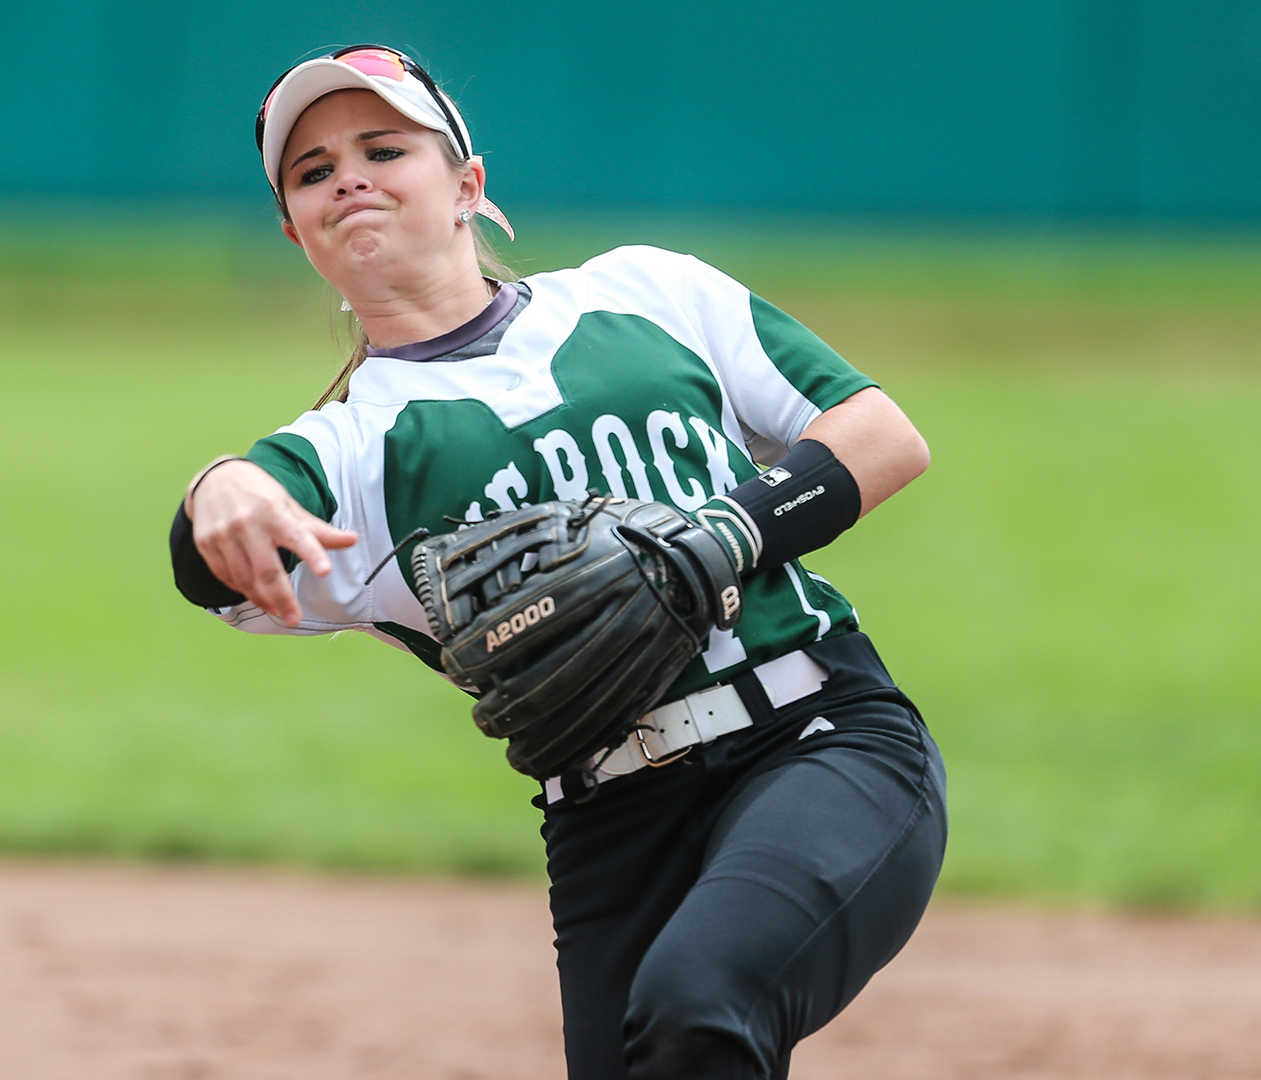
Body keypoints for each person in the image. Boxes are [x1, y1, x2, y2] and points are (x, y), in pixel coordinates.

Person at [168, 44, 946, 1080]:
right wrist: (223, 483)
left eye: (384, 148)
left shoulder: (644, 294)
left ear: (467, 185)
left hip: (815, 738)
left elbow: (882, 434)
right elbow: (213, 555)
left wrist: (728, 533)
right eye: (312, 172)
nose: (347, 176)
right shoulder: (349, 449)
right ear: (297, 232)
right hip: (610, 822)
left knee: (699, 1009)